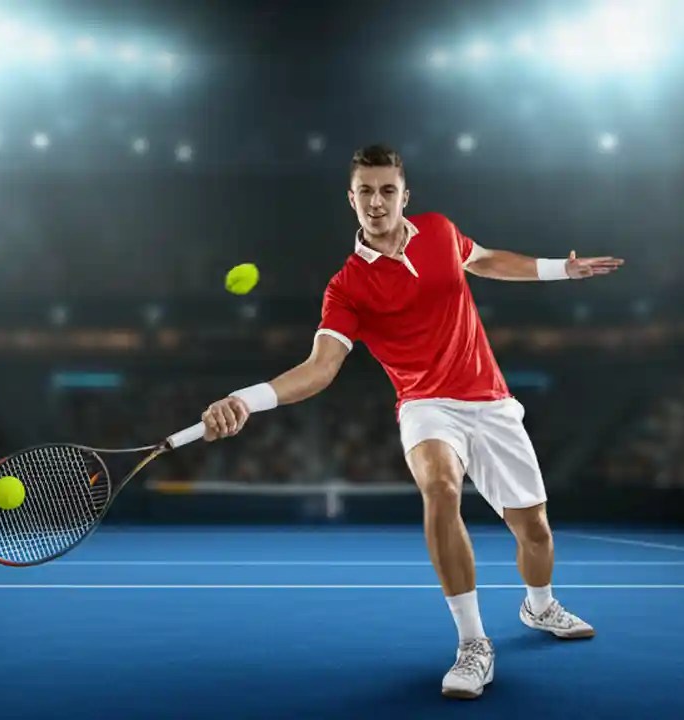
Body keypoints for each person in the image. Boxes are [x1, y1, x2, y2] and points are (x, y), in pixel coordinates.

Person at [199, 144, 623, 700]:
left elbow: (488, 259)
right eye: (366, 192)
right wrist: (246, 400)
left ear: (405, 195)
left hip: (490, 400)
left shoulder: (441, 233)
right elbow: (321, 368)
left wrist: (558, 271)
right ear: (351, 200)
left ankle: (539, 606)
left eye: (387, 190)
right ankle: (474, 643)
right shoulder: (346, 287)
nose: (377, 202)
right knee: (441, 490)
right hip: (425, 404)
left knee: (535, 531)